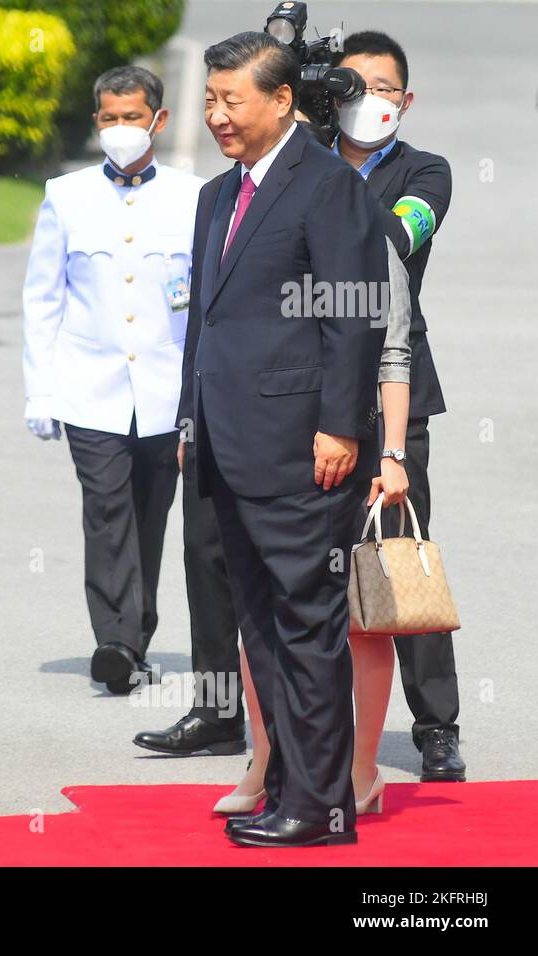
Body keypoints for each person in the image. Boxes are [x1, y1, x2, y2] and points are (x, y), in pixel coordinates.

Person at [179, 32, 387, 848]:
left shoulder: (327, 185)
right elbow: (206, 326)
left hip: (305, 450)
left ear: (282, 100)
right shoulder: (216, 196)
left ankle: (321, 806)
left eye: (232, 100)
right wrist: (191, 422)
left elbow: (354, 315)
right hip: (227, 446)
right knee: (260, 628)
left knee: (307, 625)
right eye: (210, 100)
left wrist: (340, 425)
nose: (217, 115)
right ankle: (287, 789)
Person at [22, 66, 222, 712]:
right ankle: (115, 641)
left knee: (149, 515)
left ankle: (137, 633)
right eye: (109, 118)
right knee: (106, 511)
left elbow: (206, 303)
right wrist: (40, 390)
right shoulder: (66, 196)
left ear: (159, 121)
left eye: (132, 117)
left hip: (166, 392)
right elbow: (43, 297)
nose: (120, 128)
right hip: (91, 388)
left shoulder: (195, 196)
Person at [215, 236, 413, 816]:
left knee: (360, 616)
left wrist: (392, 454)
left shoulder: (371, 240)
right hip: (273, 441)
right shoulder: (271, 229)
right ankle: (266, 760)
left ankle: (361, 771)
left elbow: (393, 354)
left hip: (356, 445)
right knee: (261, 611)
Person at [330, 31, 462, 784]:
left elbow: (397, 235)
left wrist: (320, 180)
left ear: (405, 101)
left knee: (401, 552)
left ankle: (436, 725)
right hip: (312, 389)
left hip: (395, 390)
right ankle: (304, 731)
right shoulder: (303, 157)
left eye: (385, 89)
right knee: (306, 559)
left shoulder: (424, 172)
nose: (370, 100)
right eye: (355, 86)